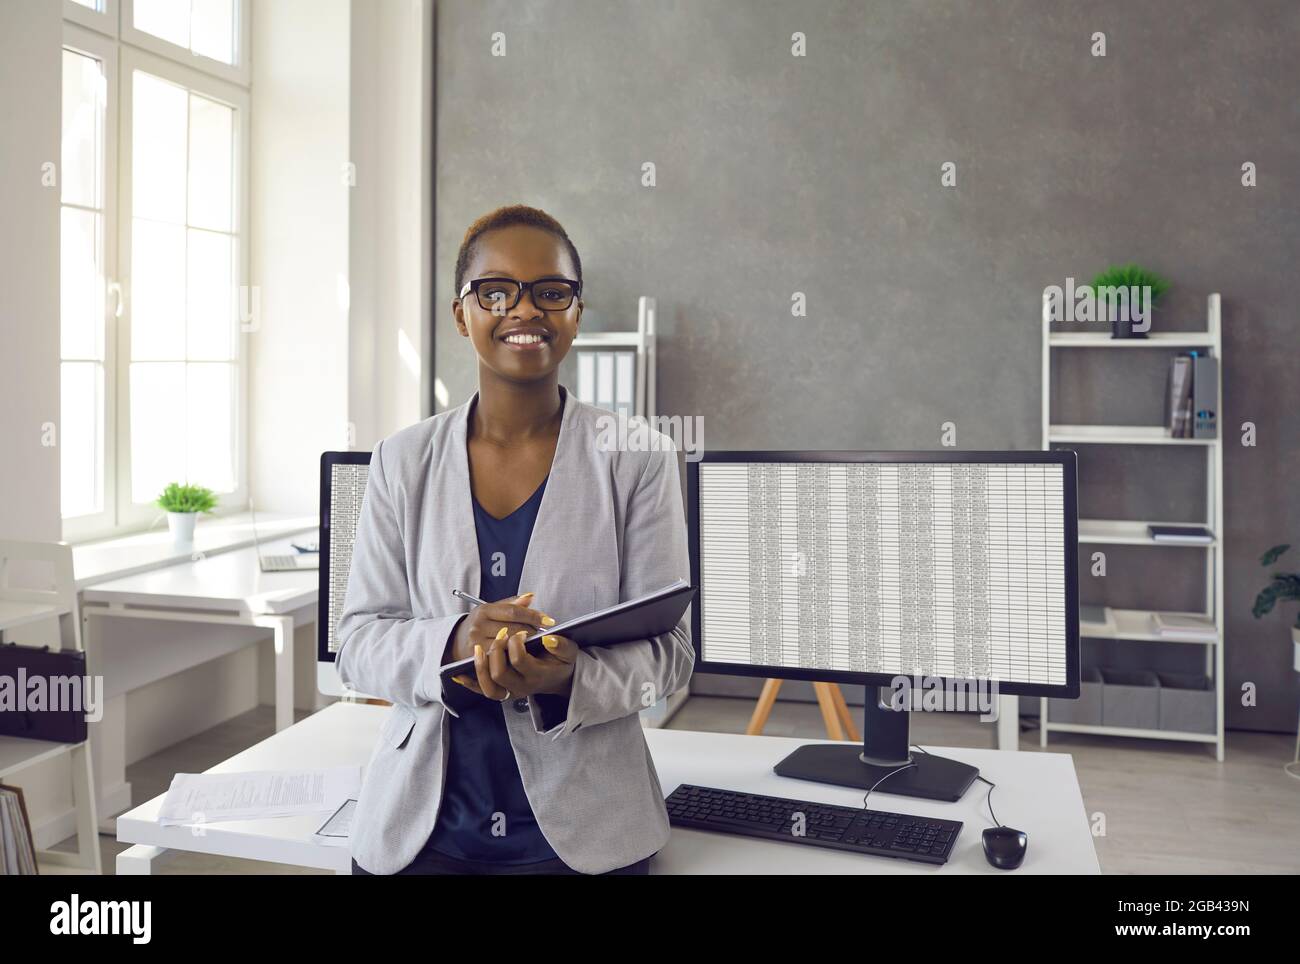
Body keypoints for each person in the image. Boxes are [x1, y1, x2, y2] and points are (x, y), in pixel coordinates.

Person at [337, 204, 693, 875]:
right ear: (461, 314)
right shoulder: (401, 459)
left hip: (584, 835)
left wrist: (570, 680)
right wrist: (451, 642)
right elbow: (359, 643)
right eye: (495, 291)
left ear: (575, 313)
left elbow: (670, 656)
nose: (523, 310)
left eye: (549, 292)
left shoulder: (638, 457)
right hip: (425, 829)